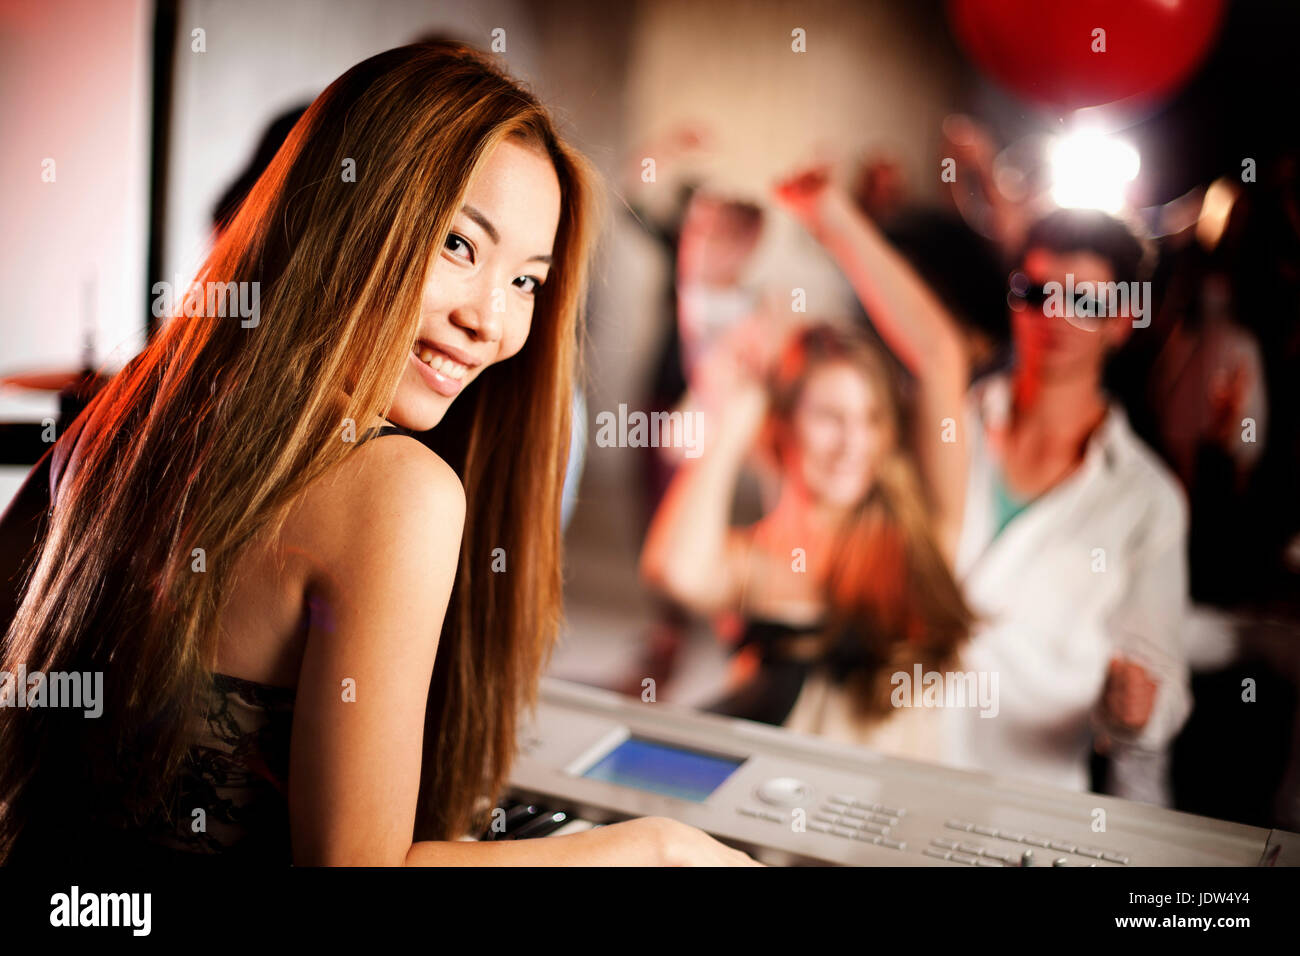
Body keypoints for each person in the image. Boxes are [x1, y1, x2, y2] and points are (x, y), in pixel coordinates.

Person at [0, 41, 755, 867]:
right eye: (460, 247)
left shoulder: (110, 426)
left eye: (527, 282)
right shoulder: (400, 491)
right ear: (347, 218)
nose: (491, 324)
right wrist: (656, 849)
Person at [773, 164, 1192, 804]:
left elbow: (1158, 683)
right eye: (1035, 292)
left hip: (1024, 799)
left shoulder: (1145, 500)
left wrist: (1135, 710)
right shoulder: (951, 423)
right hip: (878, 762)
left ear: (1122, 322)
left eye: (1084, 301)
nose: (1054, 316)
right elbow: (931, 347)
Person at [640, 319, 973, 759]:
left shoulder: (919, 540)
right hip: (766, 810)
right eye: (829, 417)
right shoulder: (754, 561)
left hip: (885, 815)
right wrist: (739, 413)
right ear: (782, 423)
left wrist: (843, 243)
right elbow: (675, 569)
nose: (854, 443)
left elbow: (942, 358)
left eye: (872, 419)